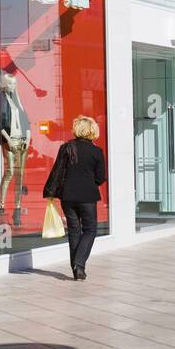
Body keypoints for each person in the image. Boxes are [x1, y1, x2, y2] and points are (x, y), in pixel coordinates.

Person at [45, 115, 106, 281]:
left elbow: (58, 170)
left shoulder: (66, 147)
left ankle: (77, 268)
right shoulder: (96, 151)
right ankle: (79, 264)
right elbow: (100, 178)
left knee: (74, 230)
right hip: (87, 195)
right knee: (90, 230)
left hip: (67, 196)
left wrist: (51, 191)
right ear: (92, 131)